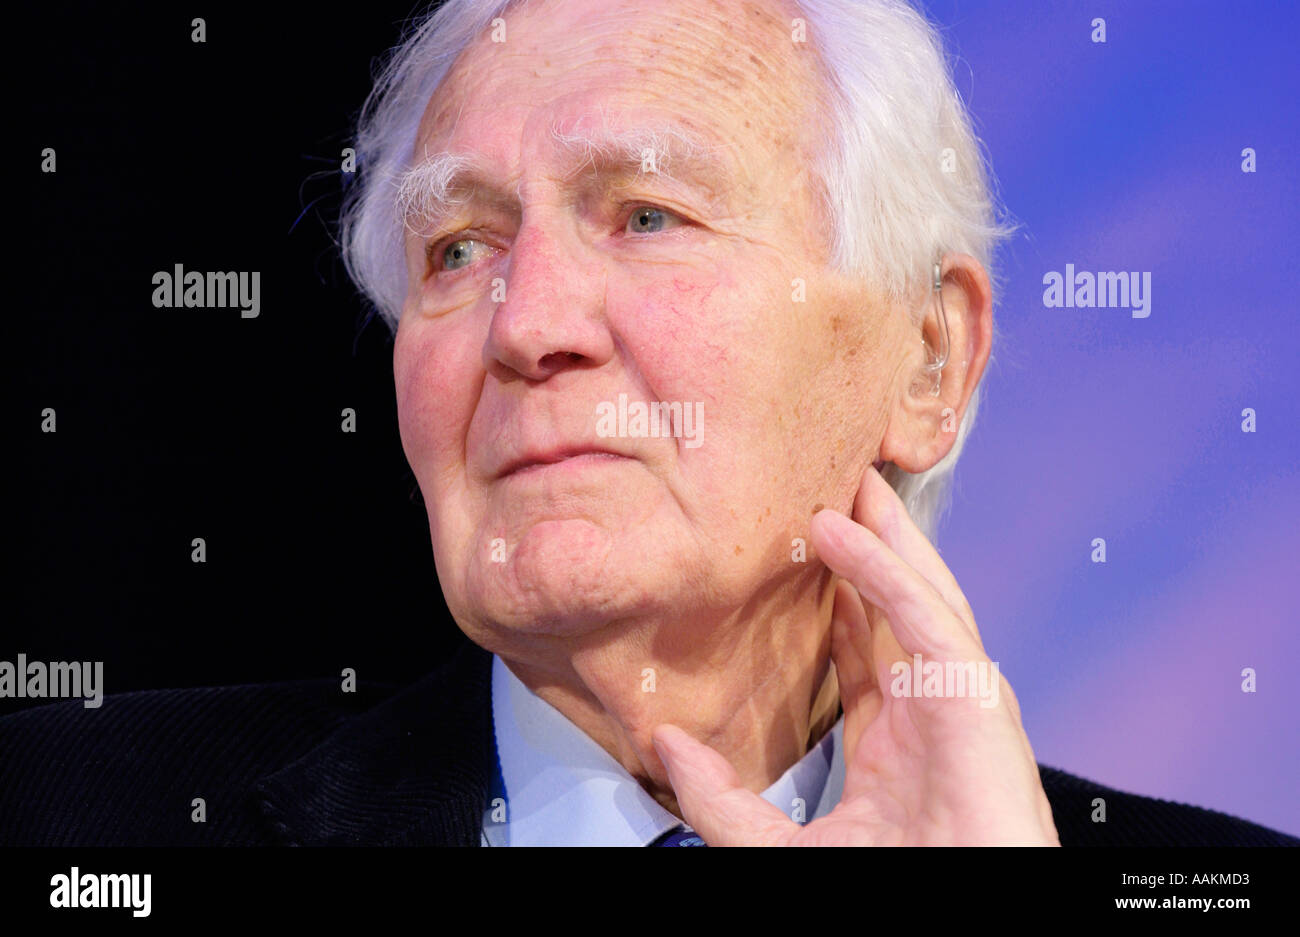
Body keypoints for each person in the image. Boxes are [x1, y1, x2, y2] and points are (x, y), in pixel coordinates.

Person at [3, 0, 1295, 847]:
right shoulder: (71, 819)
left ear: (927, 355)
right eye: (458, 247)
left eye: (647, 216)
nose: (525, 323)